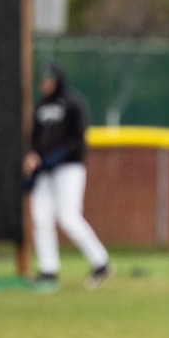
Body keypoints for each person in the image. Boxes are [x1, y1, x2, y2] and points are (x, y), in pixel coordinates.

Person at [23, 61, 111, 289]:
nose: (45, 84)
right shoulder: (41, 107)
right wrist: (33, 156)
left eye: (49, 79)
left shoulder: (72, 103)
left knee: (69, 218)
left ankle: (100, 262)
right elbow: (35, 138)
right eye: (42, 80)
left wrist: (55, 158)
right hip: (44, 171)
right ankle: (48, 269)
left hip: (68, 168)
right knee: (41, 217)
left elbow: (78, 138)